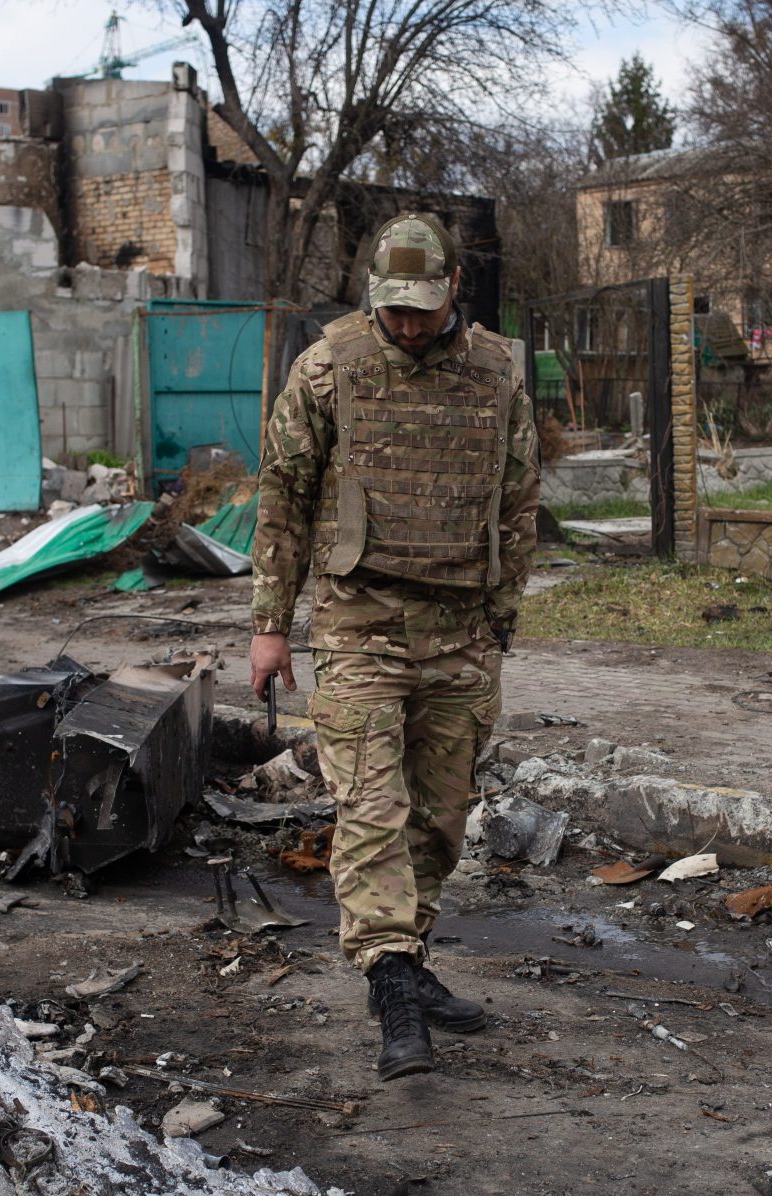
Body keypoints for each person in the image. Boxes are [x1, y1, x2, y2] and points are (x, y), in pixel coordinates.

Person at [248, 213, 540, 1082]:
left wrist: (501, 619)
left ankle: (407, 957)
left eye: (422, 308)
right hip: (359, 626)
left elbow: (519, 498)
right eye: (393, 308)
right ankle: (392, 985)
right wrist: (270, 624)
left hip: (460, 633)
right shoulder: (328, 366)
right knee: (371, 811)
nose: (407, 326)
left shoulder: (499, 374)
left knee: (438, 822)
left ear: (454, 289)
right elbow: (283, 494)